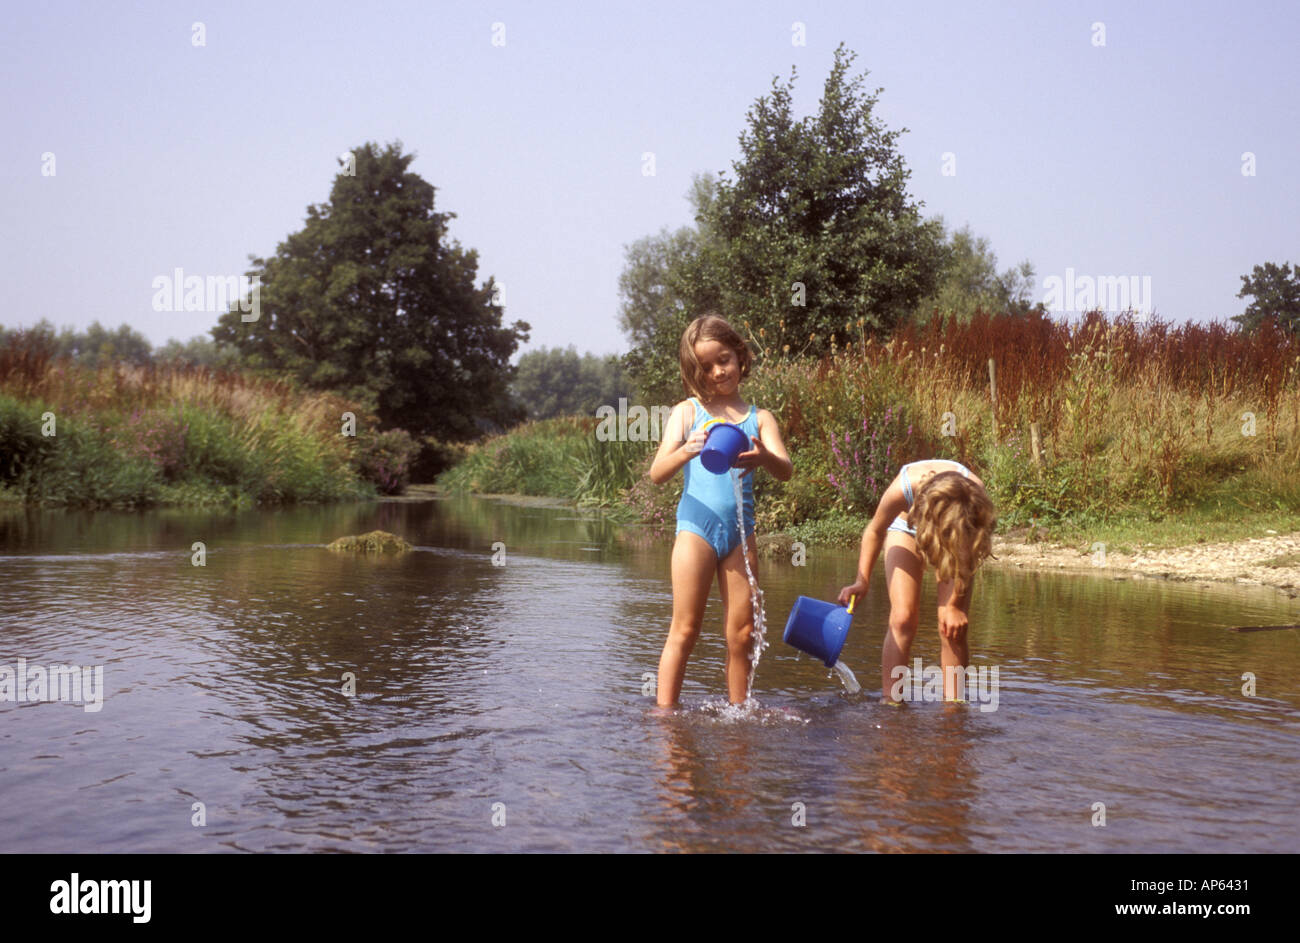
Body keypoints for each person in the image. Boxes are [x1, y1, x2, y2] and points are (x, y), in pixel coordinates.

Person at [649, 313, 793, 706]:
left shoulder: (760, 418)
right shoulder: (687, 412)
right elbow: (657, 473)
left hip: (739, 534)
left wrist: (764, 457)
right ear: (694, 371)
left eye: (724, 360)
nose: (718, 371)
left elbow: (785, 470)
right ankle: (665, 718)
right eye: (706, 366)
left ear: (740, 355)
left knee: (742, 633)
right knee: (685, 629)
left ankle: (739, 715)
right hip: (696, 529)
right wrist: (686, 450)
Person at [837, 460, 995, 704]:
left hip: (958, 532)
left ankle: (953, 708)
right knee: (902, 619)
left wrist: (954, 605)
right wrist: (862, 580)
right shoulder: (904, 487)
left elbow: (971, 551)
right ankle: (892, 703)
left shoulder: (974, 496)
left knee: (951, 627)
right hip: (905, 527)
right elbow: (875, 530)